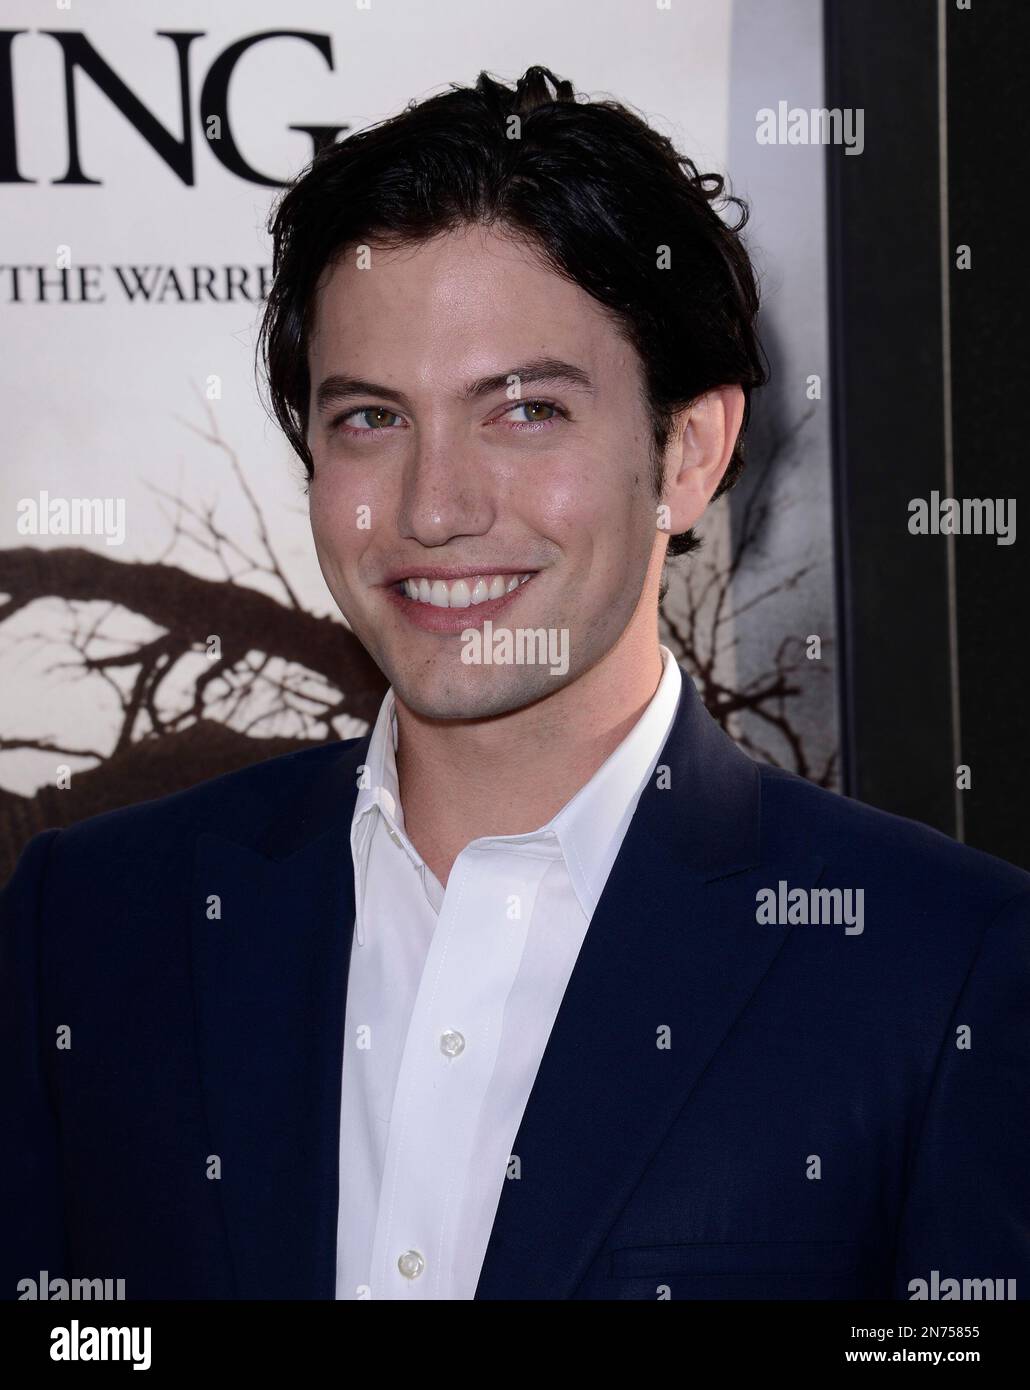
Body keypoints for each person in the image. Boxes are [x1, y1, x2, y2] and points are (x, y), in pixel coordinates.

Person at [2, 65, 1028, 1302]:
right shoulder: (89, 925)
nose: (434, 509)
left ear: (690, 451)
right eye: (371, 419)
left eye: (526, 410)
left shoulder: (946, 963)